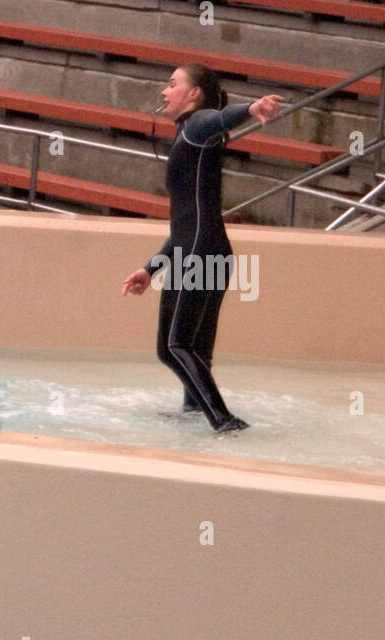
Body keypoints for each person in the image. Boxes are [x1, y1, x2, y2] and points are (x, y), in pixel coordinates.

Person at [121, 64, 283, 433]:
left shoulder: (196, 125)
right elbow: (184, 224)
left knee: (176, 345)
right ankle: (196, 413)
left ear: (193, 94)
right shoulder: (187, 136)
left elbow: (218, 118)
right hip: (204, 249)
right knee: (191, 348)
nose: (165, 91)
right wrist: (151, 269)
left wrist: (249, 109)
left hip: (199, 252)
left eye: (173, 84)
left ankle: (225, 422)